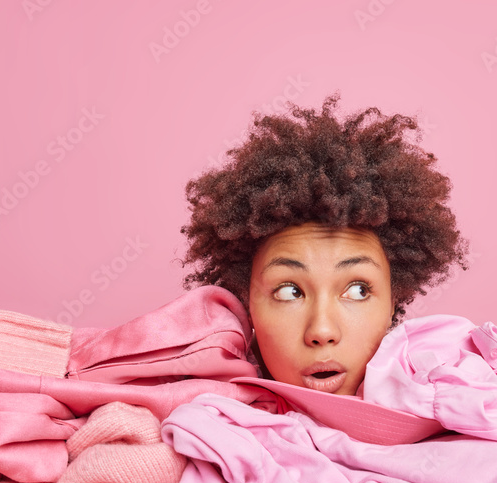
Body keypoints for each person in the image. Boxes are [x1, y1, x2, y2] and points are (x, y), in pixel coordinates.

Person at [180, 93, 470, 396]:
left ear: (392, 304)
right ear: (247, 305)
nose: (322, 332)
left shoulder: (459, 399)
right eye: (289, 292)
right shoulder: (198, 414)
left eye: (358, 290)